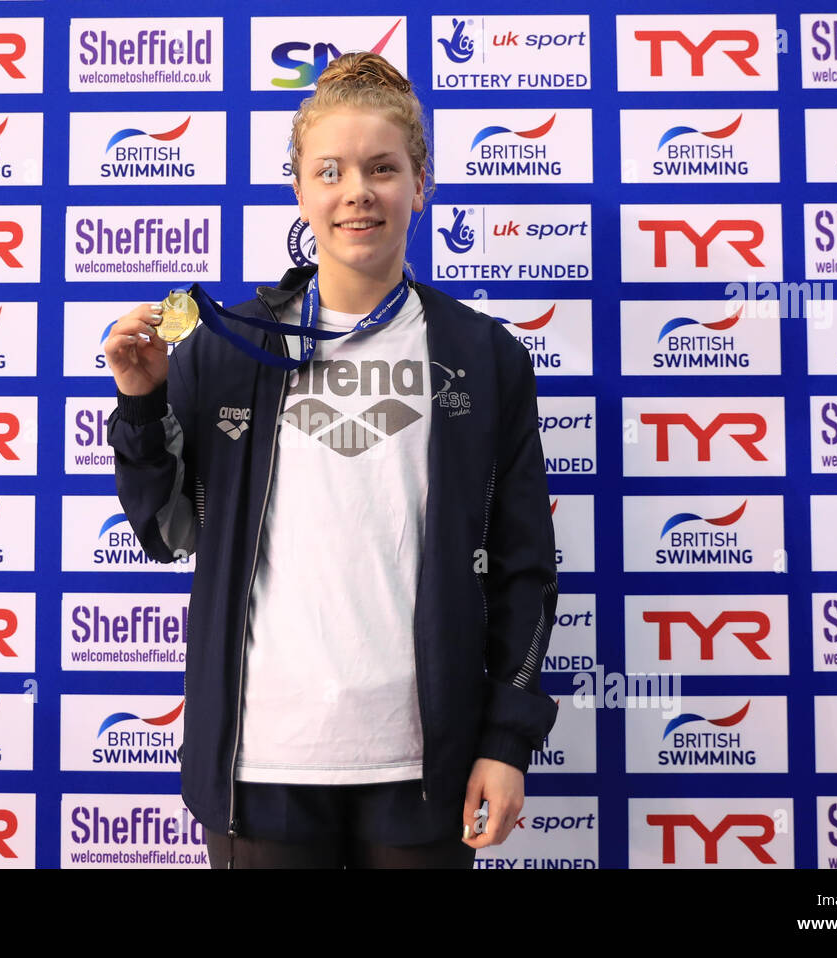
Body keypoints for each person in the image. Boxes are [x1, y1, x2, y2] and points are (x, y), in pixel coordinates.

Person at [103, 52, 558, 868]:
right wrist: (140, 406)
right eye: (332, 171)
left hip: (429, 764)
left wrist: (507, 740)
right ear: (300, 190)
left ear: (421, 182)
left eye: (383, 168)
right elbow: (168, 534)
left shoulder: (482, 355)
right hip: (261, 764)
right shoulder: (226, 347)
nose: (358, 191)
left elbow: (525, 566)